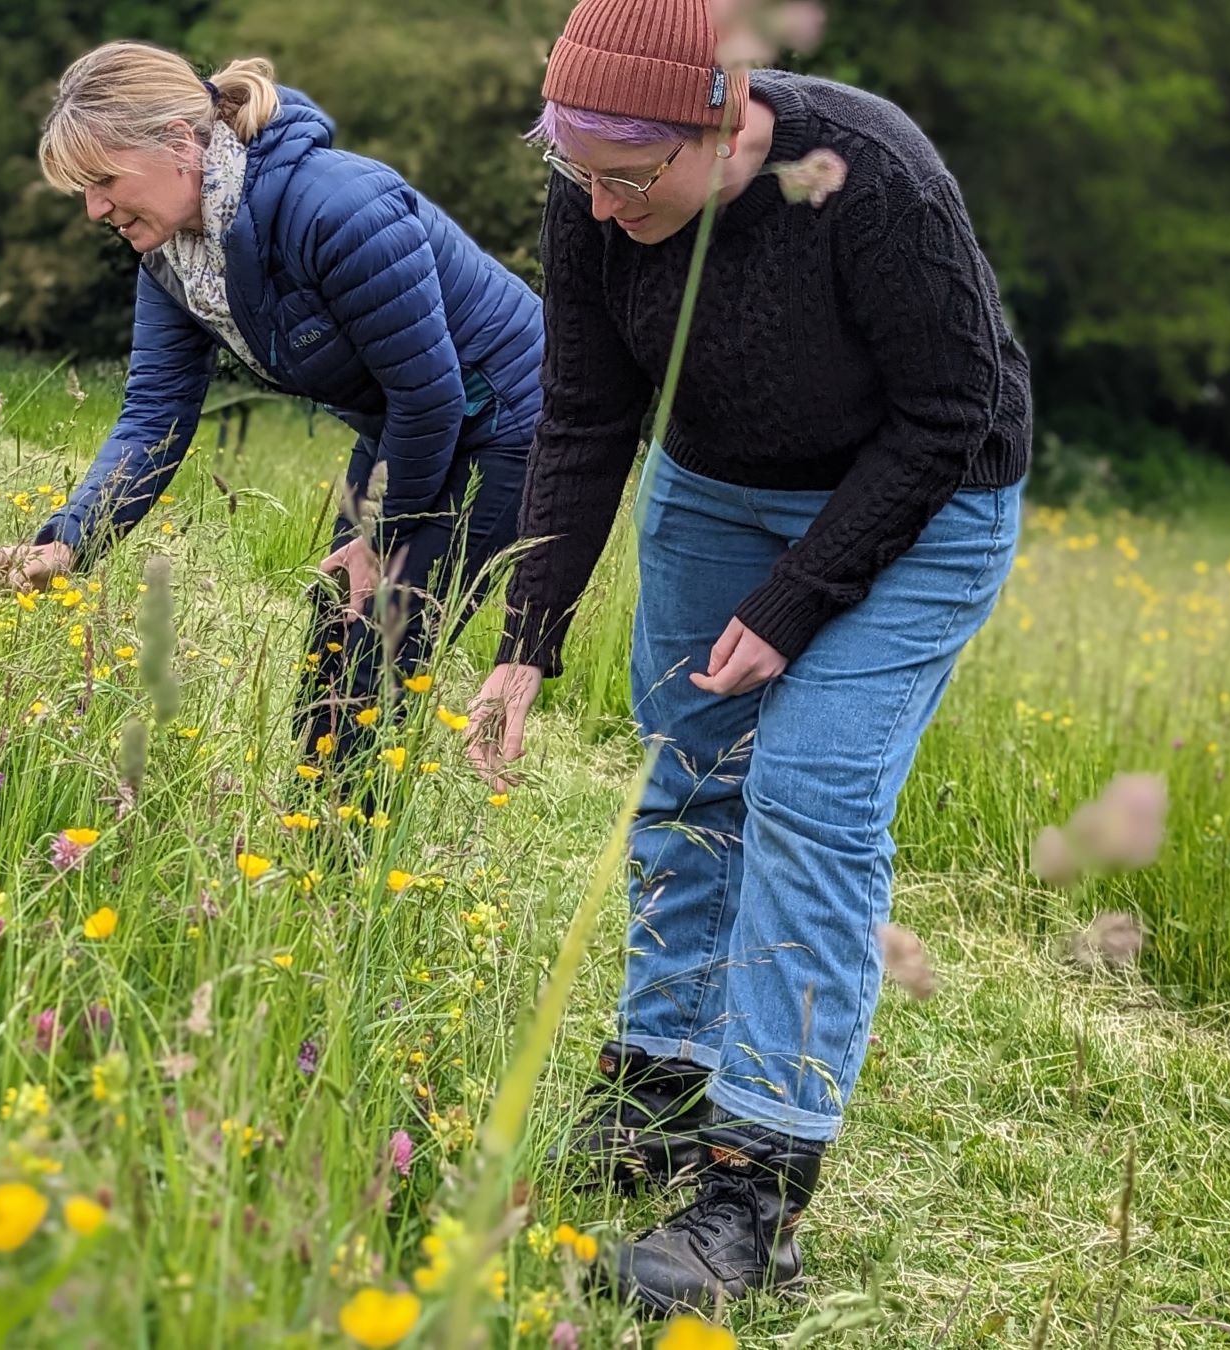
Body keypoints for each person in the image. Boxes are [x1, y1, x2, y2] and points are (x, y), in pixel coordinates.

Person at [464, 0, 1033, 1316]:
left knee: (811, 794)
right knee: (688, 773)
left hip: (925, 503)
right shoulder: (593, 193)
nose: (598, 208)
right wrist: (527, 640)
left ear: (722, 125)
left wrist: (797, 598)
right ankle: (660, 1087)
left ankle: (752, 1195)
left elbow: (951, 411)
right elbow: (589, 409)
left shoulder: (872, 177)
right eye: (574, 173)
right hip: (719, 490)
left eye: (626, 176)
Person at [0, 41, 542, 759]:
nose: (94, 208)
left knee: (377, 653)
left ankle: (343, 850)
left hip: (502, 417)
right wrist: (67, 542)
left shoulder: (338, 209)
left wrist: (382, 536)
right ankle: (313, 848)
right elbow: (155, 416)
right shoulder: (175, 256)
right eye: (84, 188)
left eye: (104, 180)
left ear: (179, 143)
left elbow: (429, 394)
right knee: (335, 632)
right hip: (406, 421)